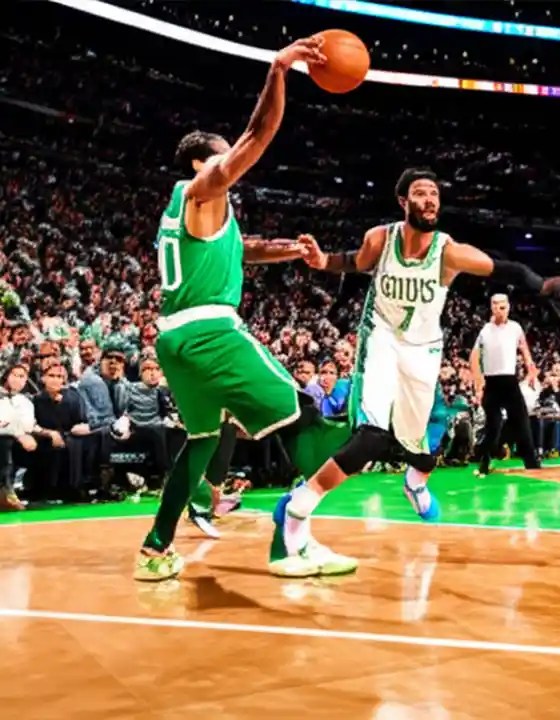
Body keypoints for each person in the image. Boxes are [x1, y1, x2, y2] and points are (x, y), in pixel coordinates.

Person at [286, 168, 560, 578]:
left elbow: (505, 269)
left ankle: (415, 484)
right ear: (404, 202)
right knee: (372, 436)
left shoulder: (448, 251)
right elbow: (354, 262)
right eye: (421, 194)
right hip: (382, 338)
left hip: (423, 351)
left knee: (423, 453)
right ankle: (299, 508)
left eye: (435, 195)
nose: (430, 201)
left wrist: (544, 284)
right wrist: (322, 261)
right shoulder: (380, 238)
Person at [133, 35, 330, 582]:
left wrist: (290, 248)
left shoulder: (189, 211)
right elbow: (256, 135)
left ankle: (154, 549)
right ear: (202, 161)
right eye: (223, 155)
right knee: (303, 413)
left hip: (175, 338)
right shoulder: (202, 188)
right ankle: (293, 541)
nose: (233, 161)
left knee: (199, 442)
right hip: (211, 331)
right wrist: (279, 69)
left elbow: (241, 250)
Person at [472, 293, 541, 476]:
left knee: (522, 423)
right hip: (492, 382)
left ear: (508, 307)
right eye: (495, 305)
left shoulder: (515, 328)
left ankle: (531, 463)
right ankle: (484, 464)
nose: (498, 309)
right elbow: (474, 356)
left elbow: (524, 349)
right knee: (493, 426)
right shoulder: (485, 330)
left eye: (502, 305)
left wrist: (531, 369)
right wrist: (478, 383)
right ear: (491, 307)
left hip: (509, 382)